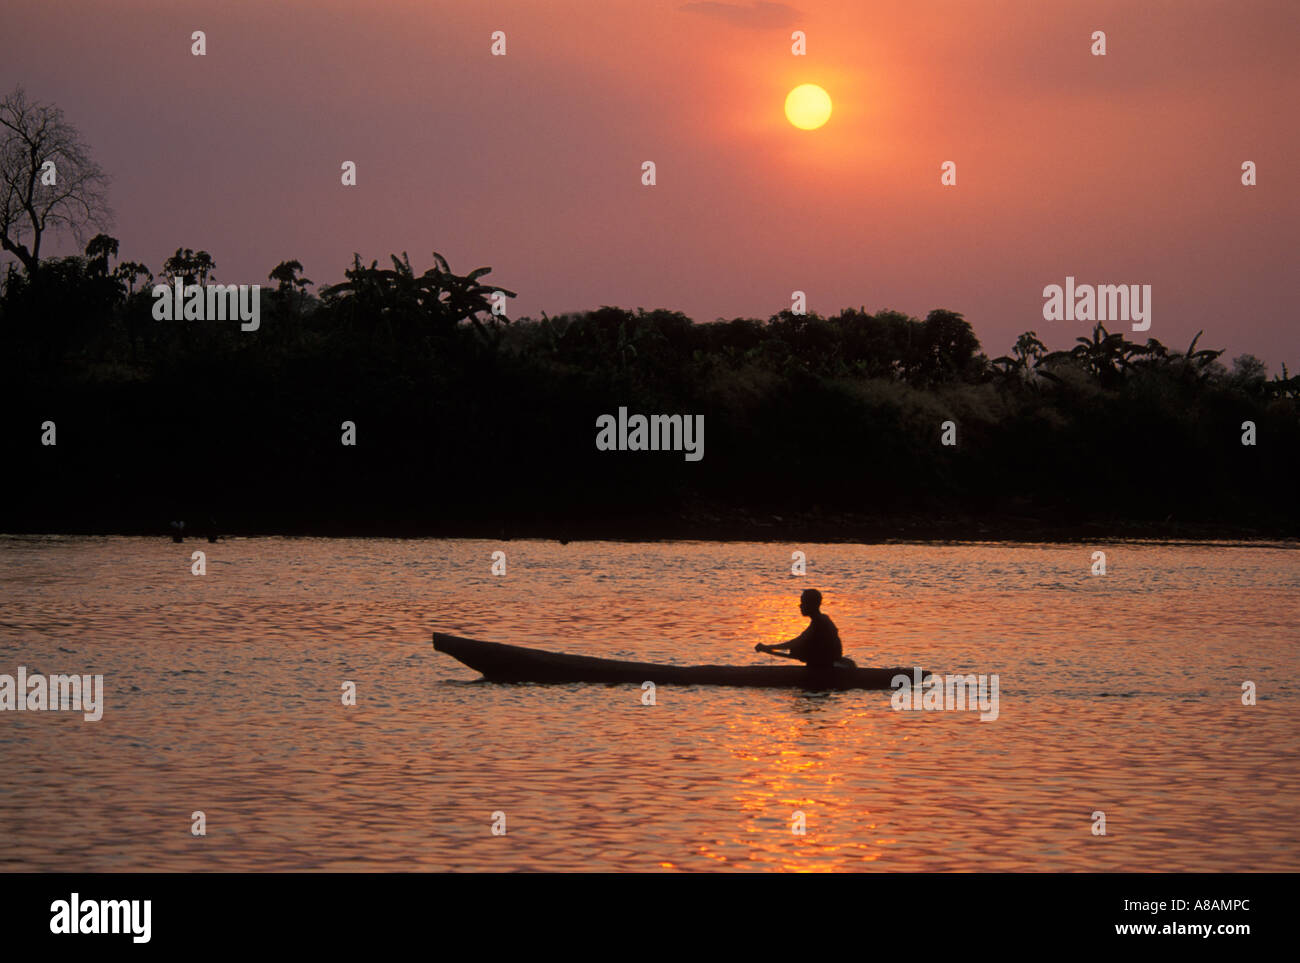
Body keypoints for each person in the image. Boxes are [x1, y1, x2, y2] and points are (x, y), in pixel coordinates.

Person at [756, 588, 846, 669]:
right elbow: (799, 641)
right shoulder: (822, 619)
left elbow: (795, 642)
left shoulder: (819, 622)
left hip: (824, 664)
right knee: (796, 649)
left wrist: (767, 647)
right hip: (826, 660)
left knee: (796, 649)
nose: (800, 606)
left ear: (810, 605)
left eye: (803, 603)